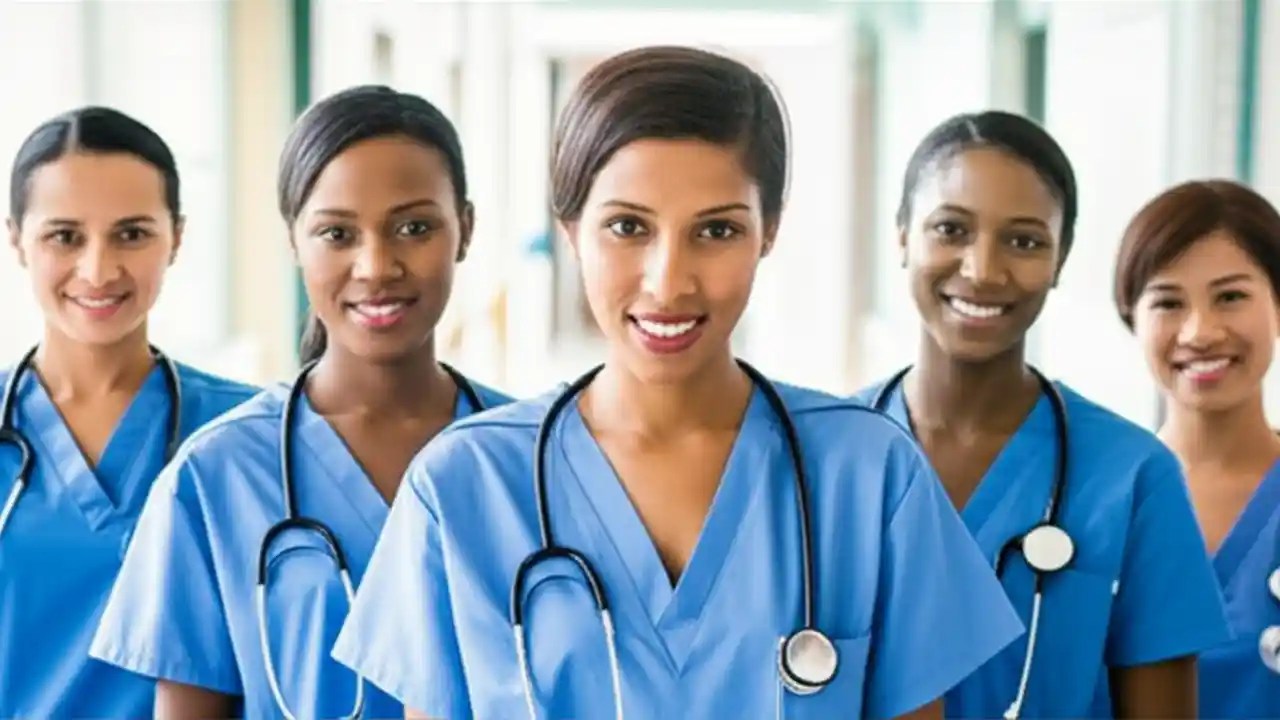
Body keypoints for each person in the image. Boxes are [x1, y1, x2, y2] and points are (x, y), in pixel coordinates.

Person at [331, 46, 1023, 720]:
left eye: (717, 230)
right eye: (628, 226)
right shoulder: (463, 485)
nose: (668, 282)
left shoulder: (870, 475)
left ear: (769, 233)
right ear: (571, 232)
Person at [88, 85, 511, 719]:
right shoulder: (215, 477)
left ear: (466, 229)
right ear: (294, 242)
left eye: (414, 227)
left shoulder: (530, 459)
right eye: (337, 233)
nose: (376, 265)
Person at [854, 110, 1232, 718]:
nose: (982, 270)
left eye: (1024, 241)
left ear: (1060, 260)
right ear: (902, 235)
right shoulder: (819, 458)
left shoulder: (1132, 477)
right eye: (950, 229)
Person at [0, 107, 258, 717]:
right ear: (16, 240)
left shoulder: (246, 435)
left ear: (177, 237)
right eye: (65, 236)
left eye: (132, 233)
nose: (99, 269)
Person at [1114, 179, 1280, 719]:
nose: (1200, 332)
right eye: (1167, 302)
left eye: (1230, 296)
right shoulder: (1098, 503)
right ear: (1131, 319)